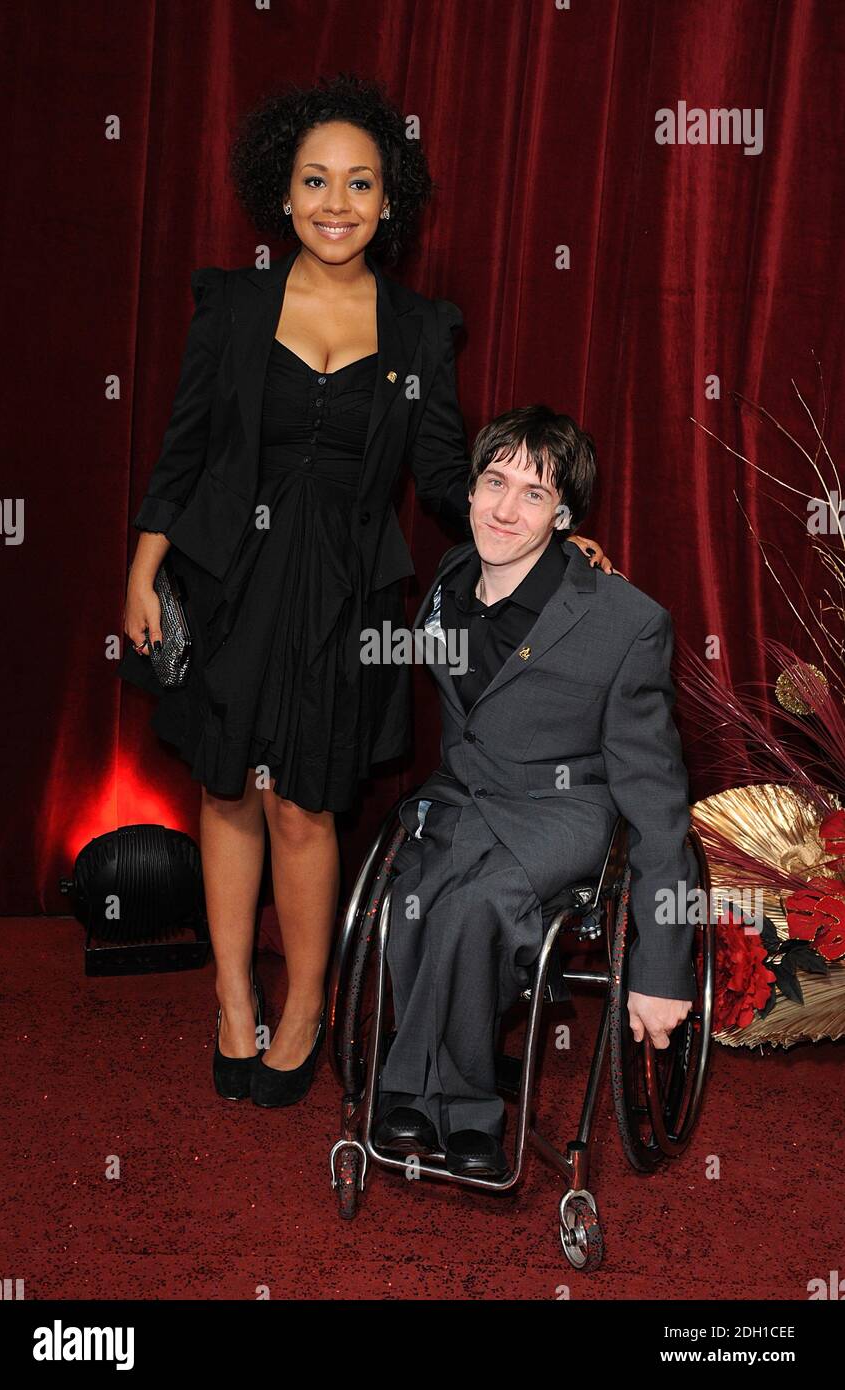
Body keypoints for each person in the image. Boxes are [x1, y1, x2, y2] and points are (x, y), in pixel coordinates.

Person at [118, 74, 612, 1110]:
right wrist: (143, 571)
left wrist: (544, 529)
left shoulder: (421, 331)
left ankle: (303, 1004)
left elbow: (442, 478)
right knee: (225, 787)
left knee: (304, 800)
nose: (335, 201)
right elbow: (182, 448)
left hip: (343, 594)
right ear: (283, 197)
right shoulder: (234, 304)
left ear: (389, 201)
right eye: (313, 180)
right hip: (223, 579)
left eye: (359, 182)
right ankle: (230, 994)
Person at [375, 405, 698, 1179]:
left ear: (564, 513)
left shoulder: (628, 623)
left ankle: (454, 1105)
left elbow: (657, 804)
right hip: (464, 800)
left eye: (533, 494)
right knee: (408, 902)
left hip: (567, 809)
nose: (505, 509)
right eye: (494, 483)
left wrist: (661, 969)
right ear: (472, 488)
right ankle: (423, 1094)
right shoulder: (449, 581)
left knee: (472, 904)